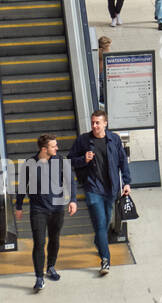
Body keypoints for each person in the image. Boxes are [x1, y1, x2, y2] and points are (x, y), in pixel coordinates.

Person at [67, 111, 132, 277]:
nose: (94, 126)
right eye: (93, 122)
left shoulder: (114, 139)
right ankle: (105, 259)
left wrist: (127, 182)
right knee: (101, 223)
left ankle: (99, 241)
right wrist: (84, 159)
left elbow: (123, 161)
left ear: (105, 124)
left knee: (104, 222)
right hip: (92, 189)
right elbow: (69, 160)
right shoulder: (83, 140)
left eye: (98, 123)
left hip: (111, 189)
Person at [14, 134, 77, 293]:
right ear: (44, 149)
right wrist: (19, 205)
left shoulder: (61, 161)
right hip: (38, 210)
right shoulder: (30, 163)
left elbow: (71, 181)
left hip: (57, 208)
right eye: (53, 146)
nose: (57, 148)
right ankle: (39, 278)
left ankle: (50, 267)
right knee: (39, 242)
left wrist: (73, 200)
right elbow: (22, 186)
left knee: (54, 239)